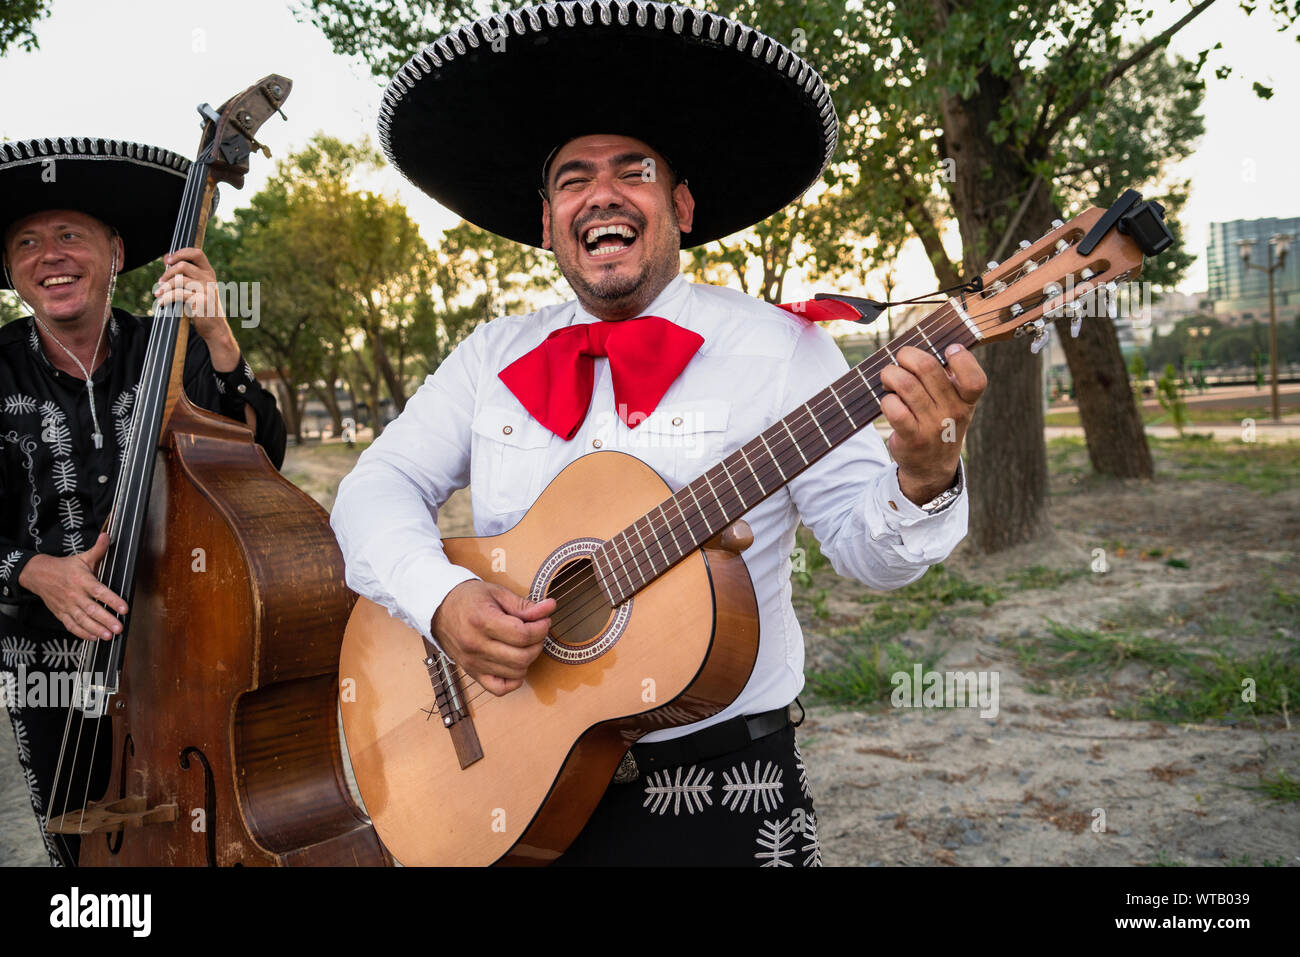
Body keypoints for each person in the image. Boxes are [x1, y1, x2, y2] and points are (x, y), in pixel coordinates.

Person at [332, 0, 985, 865]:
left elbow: (870, 554)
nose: (601, 192)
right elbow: (372, 491)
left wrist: (924, 478)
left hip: (719, 788)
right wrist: (441, 599)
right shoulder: (492, 354)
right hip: (506, 776)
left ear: (679, 204)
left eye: (632, 170)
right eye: (573, 177)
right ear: (547, 222)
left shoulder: (786, 350)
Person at [0, 136, 286, 866]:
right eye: (27, 241)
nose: (49, 255)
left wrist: (219, 331)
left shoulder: (172, 342)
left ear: (117, 253)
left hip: (184, 631)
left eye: (69, 234)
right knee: (81, 839)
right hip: (49, 655)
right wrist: (33, 569)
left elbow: (257, 455)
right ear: (10, 272)